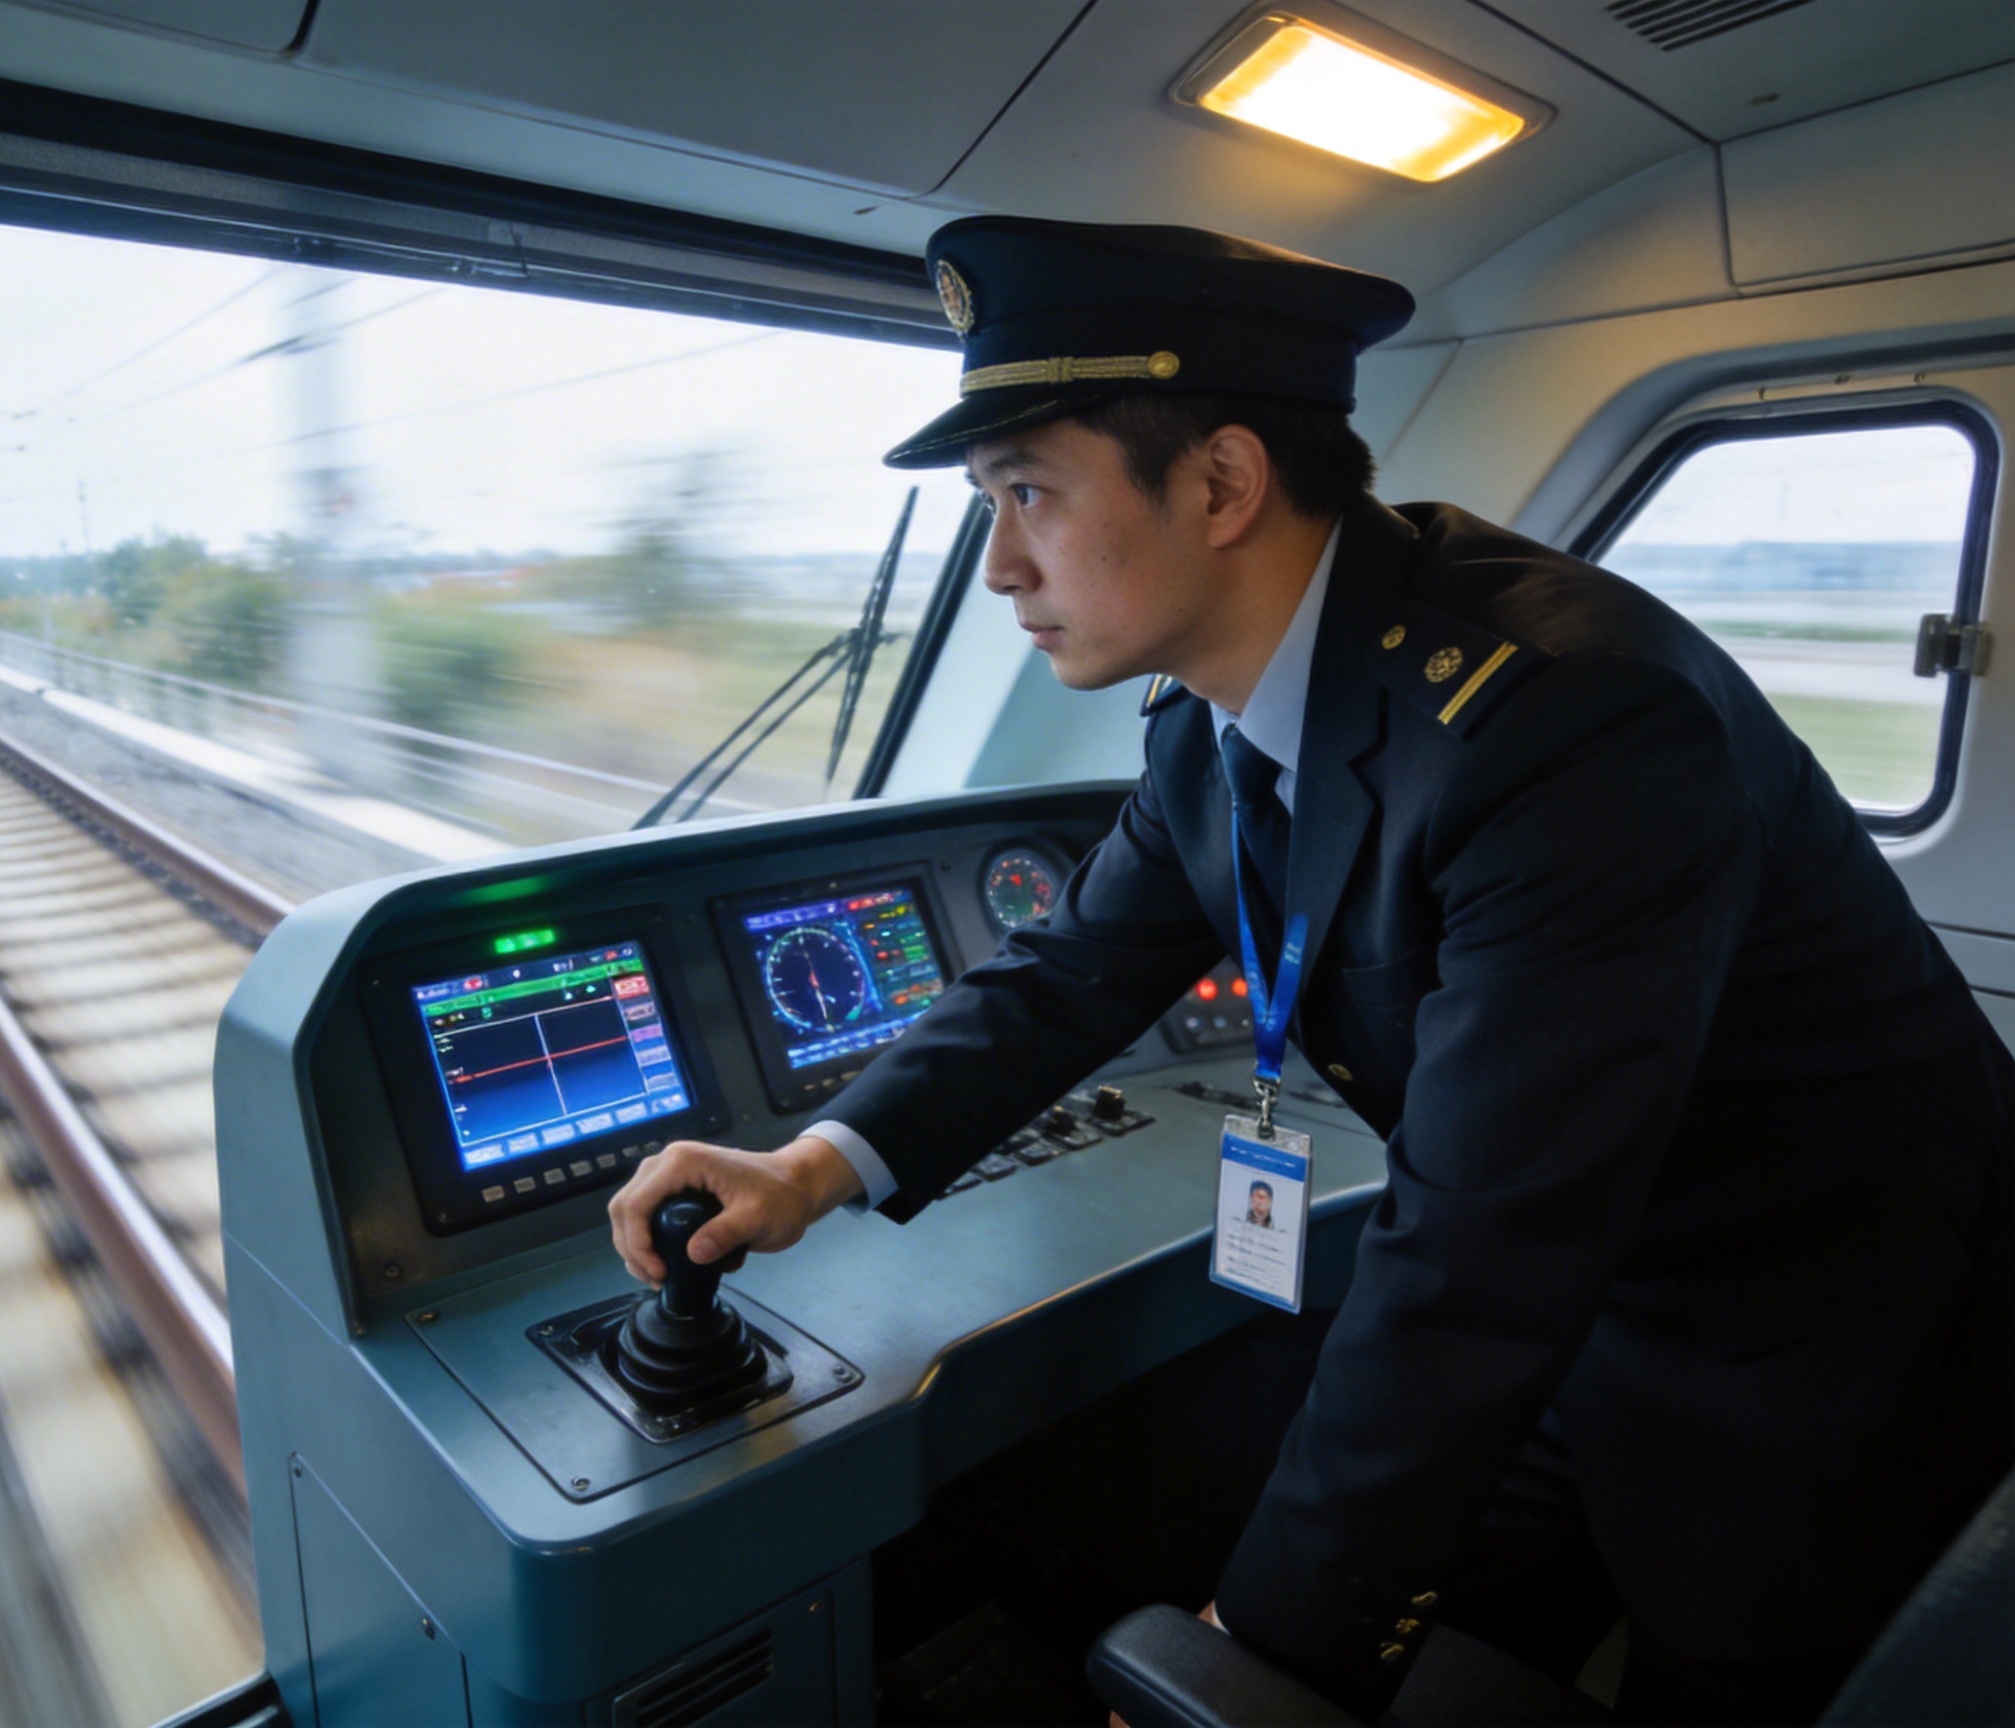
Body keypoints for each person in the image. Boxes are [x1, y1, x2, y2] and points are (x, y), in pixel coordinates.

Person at [609, 218, 2014, 1722]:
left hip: (1816, 1333)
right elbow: (1076, 964)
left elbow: (1481, 1256)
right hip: (1595, 1282)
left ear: (1221, 483)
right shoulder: (1211, 719)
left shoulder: (1565, 731)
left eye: (1027, 493)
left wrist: (1253, 1654)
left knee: (1711, 1673)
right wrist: (809, 1168)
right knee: (1442, 1572)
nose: (1002, 563)